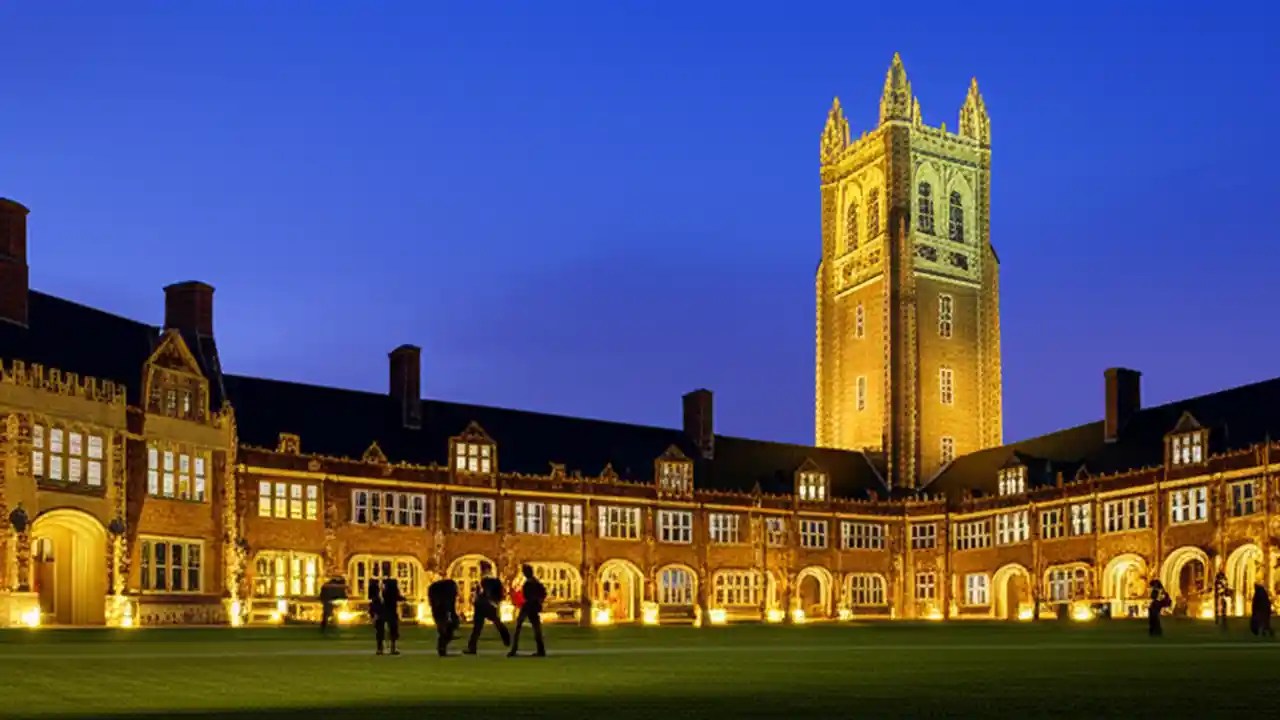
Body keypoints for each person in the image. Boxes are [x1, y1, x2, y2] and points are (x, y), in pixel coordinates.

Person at [464, 561, 511, 654]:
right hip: (485, 605)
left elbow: (487, 593)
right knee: (491, 624)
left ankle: (472, 647)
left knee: (480, 627)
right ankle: (506, 639)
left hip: (484, 605)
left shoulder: (486, 580)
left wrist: (489, 600)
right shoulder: (492, 580)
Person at [508, 564, 547, 657]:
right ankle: (540, 650)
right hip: (533, 606)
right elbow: (543, 593)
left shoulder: (529, 583)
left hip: (529, 606)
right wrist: (539, 601)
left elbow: (526, 595)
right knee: (536, 627)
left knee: (519, 626)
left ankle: (514, 649)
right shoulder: (536, 582)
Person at [427, 576, 462, 656]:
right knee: (445, 630)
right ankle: (442, 647)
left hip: (438, 611)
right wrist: (452, 616)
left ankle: (442, 647)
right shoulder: (448, 594)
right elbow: (450, 607)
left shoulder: (435, 590)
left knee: (444, 630)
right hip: (441, 612)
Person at [378, 577, 405, 656]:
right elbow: (400, 598)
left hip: (383, 612)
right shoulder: (394, 592)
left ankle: (381, 648)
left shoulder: (384, 592)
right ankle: (393, 648)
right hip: (392, 612)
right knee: (393, 631)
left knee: (382, 631)